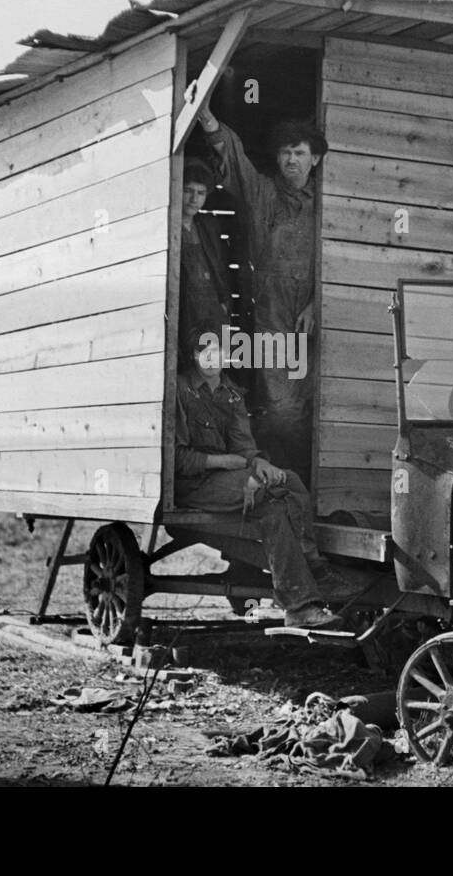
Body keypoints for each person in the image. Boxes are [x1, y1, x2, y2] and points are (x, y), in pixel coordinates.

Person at [174, 323, 343, 630]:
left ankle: (302, 593)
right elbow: (178, 459)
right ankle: (311, 576)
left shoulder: (232, 394)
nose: (213, 358)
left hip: (232, 478)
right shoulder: (180, 391)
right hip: (195, 485)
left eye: (220, 351)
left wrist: (259, 463)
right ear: (193, 355)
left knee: (287, 483)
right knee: (272, 495)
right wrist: (222, 461)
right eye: (205, 352)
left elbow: (244, 446)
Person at [195, 104, 328, 485]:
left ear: (314, 158)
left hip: (321, 308)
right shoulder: (263, 192)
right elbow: (233, 157)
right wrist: (208, 120)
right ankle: (292, 480)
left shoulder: (329, 203)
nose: (291, 159)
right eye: (285, 152)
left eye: (300, 152)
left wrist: (318, 302)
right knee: (280, 405)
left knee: (324, 400)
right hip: (273, 308)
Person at [177, 158, 233, 337]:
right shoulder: (168, 226)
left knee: (213, 361)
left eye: (201, 193)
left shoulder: (207, 226)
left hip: (210, 307)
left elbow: (220, 267)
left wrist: (223, 303)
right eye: (188, 191)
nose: (194, 199)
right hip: (184, 307)